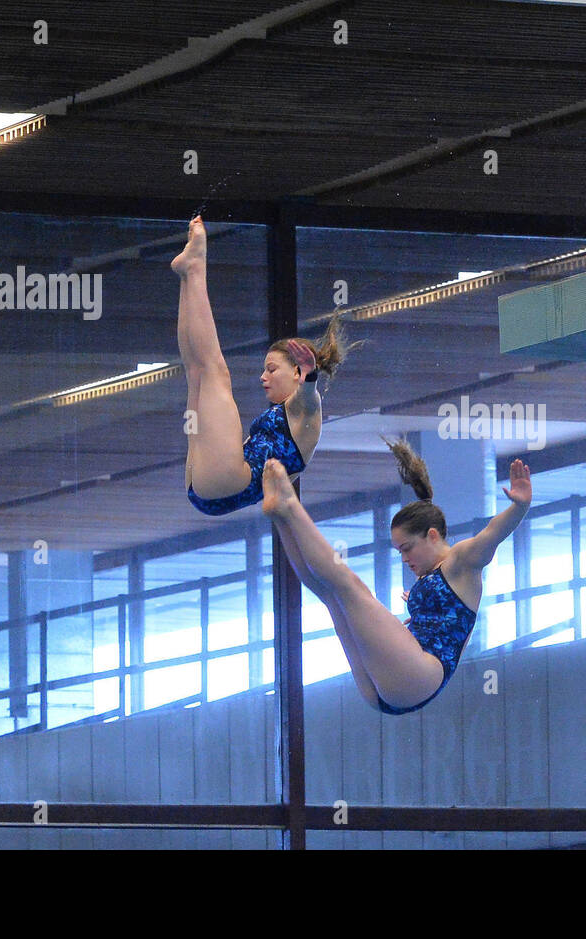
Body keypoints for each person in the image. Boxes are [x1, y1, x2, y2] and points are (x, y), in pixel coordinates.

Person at [260, 439, 532, 714]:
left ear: (433, 536)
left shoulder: (460, 563)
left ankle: (291, 506)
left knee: (350, 586)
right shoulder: (432, 578)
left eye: (407, 548)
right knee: (330, 595)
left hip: (421, 674)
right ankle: (281, 518)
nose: (404, 558)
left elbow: (492, 534)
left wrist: (518, 508)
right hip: (392, 688)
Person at [171, 215, 356, 515]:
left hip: (227, 483)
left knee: (216, 372)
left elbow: (309, 398)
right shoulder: (285, 413)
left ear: (297, 371)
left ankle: (196, 267)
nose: (262, 377)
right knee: (197, 373)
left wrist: (311, 377)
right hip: (209, 486)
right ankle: (187, 275)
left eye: (271, 369)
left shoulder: (305, 411)